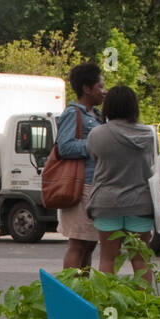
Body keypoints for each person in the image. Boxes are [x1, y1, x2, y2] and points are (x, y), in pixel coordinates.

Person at [87, 86, 157, 283]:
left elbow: (94, 158)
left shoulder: (97, 134)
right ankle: (144, 307)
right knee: (141, 260)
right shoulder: (149, 134)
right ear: (134, 107)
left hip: (106, 203)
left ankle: (108, 305)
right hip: (140, 203)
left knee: (108, 258)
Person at [56, 63, 105, 270]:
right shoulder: (73, 113)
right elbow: (64, 147)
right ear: (87, 88)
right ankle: (69, 292)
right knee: (77, 243)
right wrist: (94, 145)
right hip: (81, 185)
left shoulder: (96, 115)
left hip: (95, 184)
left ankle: (82, 292)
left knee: (89, 244)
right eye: (100, 87)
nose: (104, 91)